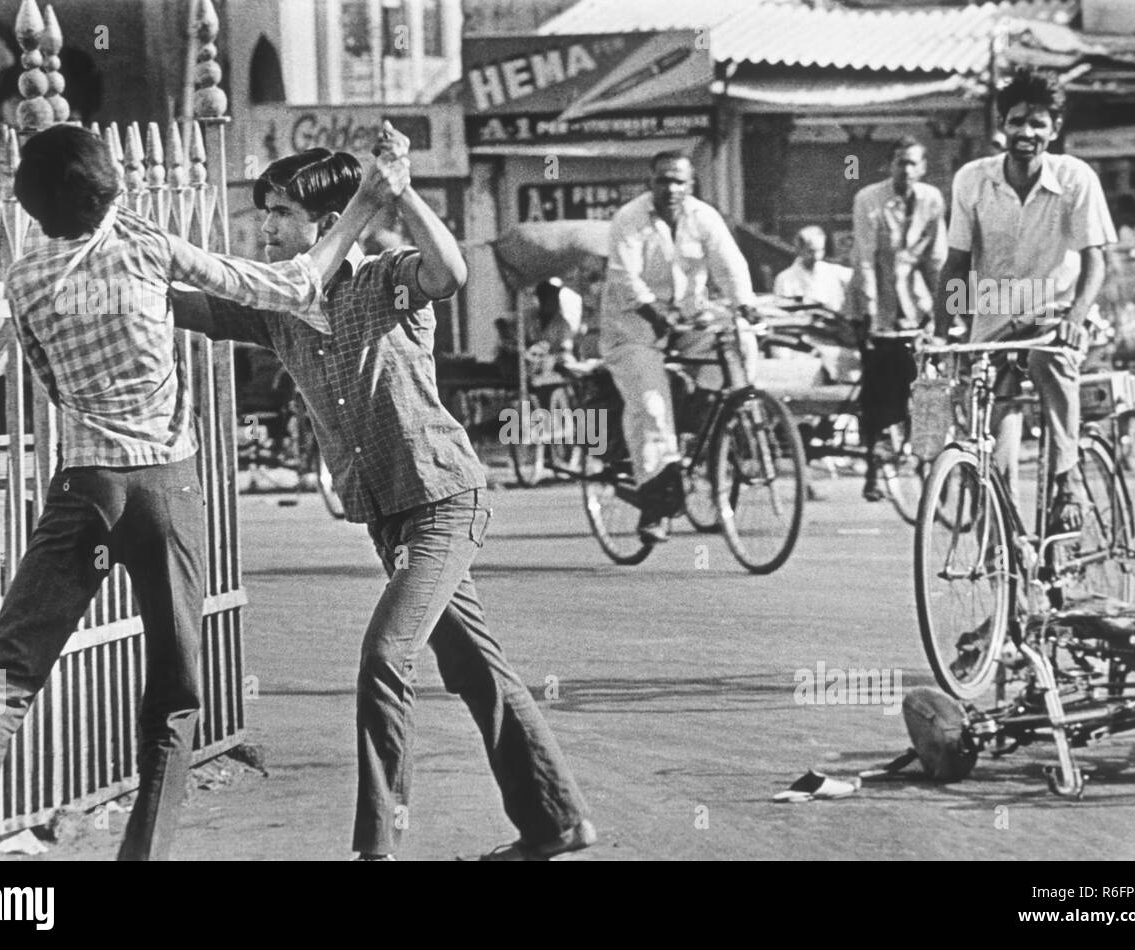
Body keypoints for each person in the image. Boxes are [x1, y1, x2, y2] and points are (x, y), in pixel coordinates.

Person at [0, 124, 358, 861]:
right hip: (167, 487)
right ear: (112, 189)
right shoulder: (146, 245)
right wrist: (365, 207)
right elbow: (287, 285)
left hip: (85, 487)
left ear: (31, 208)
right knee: (175, 684)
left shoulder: (23, 279)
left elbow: (50, 381)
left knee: (12, 664)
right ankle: (145, 851)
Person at [171, 131, 595, 861]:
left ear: (331, 219)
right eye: (264, 211)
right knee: (472, 667)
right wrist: (113, 267)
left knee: (384, 657)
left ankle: (377, 847)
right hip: (388, 516)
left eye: (279, 213)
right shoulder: (279, 310)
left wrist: (400, 193)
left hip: (442, 497)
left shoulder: (385, 281)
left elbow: (450, 271)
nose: (265, 227)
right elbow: (192, 305)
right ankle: (557, 822)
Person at [935, 68, 1117, 534]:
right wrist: (943, 333)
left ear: (1054, 130)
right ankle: (1004, 548)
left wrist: (1076, 318)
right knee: (991, 426)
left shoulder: (1075, 177)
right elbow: (957, 264)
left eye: (1038, 124)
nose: (1026, 133)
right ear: (1003, 126)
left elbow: (1096, 261)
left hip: (1055, 314)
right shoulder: (972, 180)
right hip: (993, 316)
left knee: (1046, 359)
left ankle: (1067, 478)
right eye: (1017, 122)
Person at [602, 151, 756, 544]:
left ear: (691, 185)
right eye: (663, 180)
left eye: (679, 181)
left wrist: (745, 303)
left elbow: (729, 264)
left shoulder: (703, 217)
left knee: (737, 343)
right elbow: (624, 277)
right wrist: (657, 316)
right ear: (650, 182)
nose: (671, 188)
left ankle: (716, 427)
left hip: (688, 321)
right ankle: (655, 504)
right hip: (634, 328)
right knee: (652, 408)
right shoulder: (629, 219)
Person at [851, 136, 948, 501]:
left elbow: (936, 258)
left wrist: (945, 311)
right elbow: (864, 258)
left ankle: (931, 462)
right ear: (889, 166)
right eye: (899, 163)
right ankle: (874, 466)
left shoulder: (932, 200)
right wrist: (872, 312)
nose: (905, 170)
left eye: (912, 163)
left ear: (922, 168)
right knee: (878, 387)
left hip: (916, 302)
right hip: (875, 301)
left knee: (928, 384)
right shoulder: (869, 200)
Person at [772, 226, 852, 315]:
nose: (817, 256)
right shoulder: (784, 279)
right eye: (811, 251)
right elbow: (780, 313)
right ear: (799, 249)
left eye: (821, 250)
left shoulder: (836, 272)